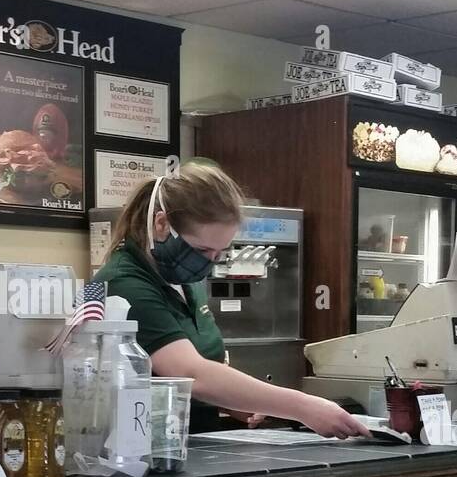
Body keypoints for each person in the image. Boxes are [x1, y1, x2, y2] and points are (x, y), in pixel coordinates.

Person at [94, 163, 368, 438]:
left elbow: (208, 364)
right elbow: (191, 374)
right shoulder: (125, 284)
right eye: (201, 249)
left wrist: (234, 401)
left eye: (219, 252)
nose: (208, 262)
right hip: (142, 444)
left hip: (192, 441)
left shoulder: (183, 279)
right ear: (162, 224)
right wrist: (304, 407)